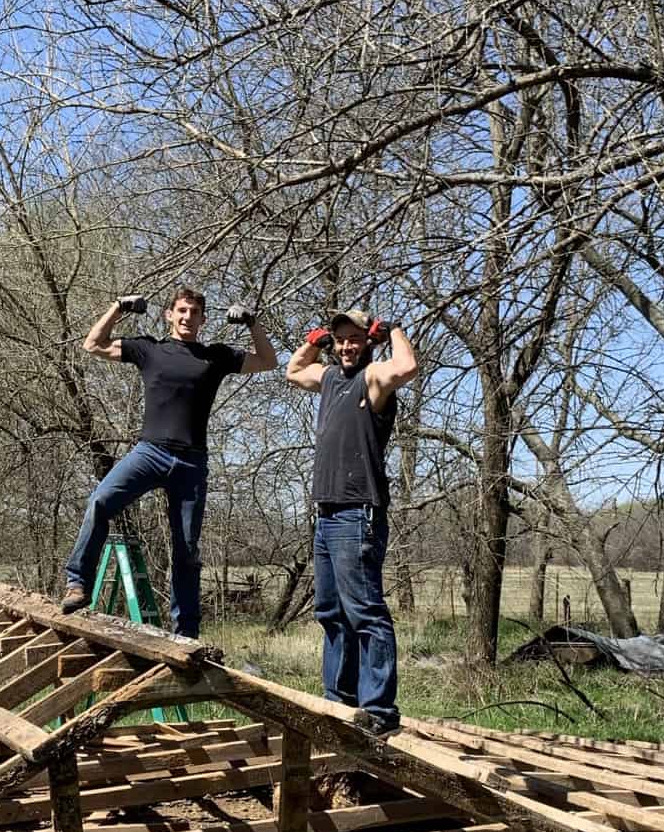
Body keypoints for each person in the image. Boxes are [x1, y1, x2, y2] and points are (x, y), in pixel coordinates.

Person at [63, 285, 276, 636]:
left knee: (187, 549)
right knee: (100, 501)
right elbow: (93, 344)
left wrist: (252, 322)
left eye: (194, 312)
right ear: (169, 315)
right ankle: (77, 583)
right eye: (181, 311)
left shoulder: (216, 356)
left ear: (203, 319)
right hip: (150, 452)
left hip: (191, 462)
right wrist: (118, 307)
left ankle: (186, 633)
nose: (187, 317)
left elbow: (268, 361)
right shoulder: (150, 349)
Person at [286, 306, 418, 734]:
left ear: (368, 341)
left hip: (358, 512)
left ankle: (379, 712)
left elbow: (407, 366)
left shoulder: (373, 377)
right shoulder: (328, 378)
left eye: (355, 339)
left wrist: (393, 328)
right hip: (326, 513)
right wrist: (314, 340)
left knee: (365, 612)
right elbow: (293, 371)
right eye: (341, 339)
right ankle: (339, 705)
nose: (347, 346)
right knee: (331, 613)